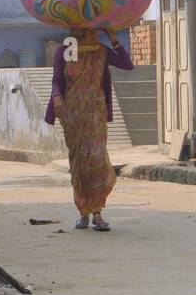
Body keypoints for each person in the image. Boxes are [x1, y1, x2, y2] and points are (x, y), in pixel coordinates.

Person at [44, 27, 134, 230]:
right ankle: (83, 212)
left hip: (95, 113)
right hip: (73, 115)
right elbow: (57, 79)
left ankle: (98, 213)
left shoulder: (100, 50)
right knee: (79, 163)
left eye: (93, 30)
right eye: (86, 30)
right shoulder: (67, 50)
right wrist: (57, 96)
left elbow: (127, 65)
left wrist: (114, 40)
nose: (91, 33)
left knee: (97, 159)